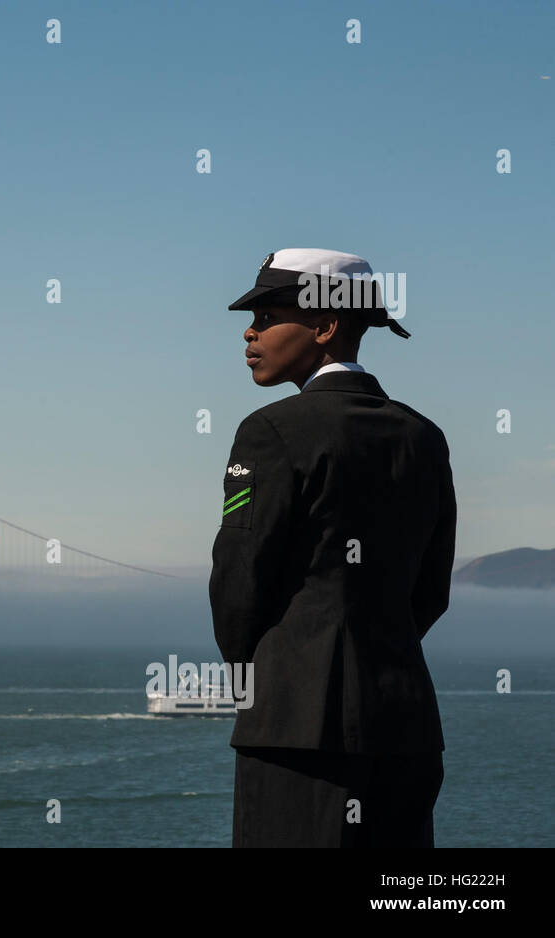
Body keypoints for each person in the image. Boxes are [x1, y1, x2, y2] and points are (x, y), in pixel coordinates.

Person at [210, 248, 455, 847]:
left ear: (324, 325)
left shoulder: (268, 431)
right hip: (405, 728)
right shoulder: (424, 437)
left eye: (268, 317)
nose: (250, 330)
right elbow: (431, 591)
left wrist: (268, 678)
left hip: (294, 734)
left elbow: (239, 583)